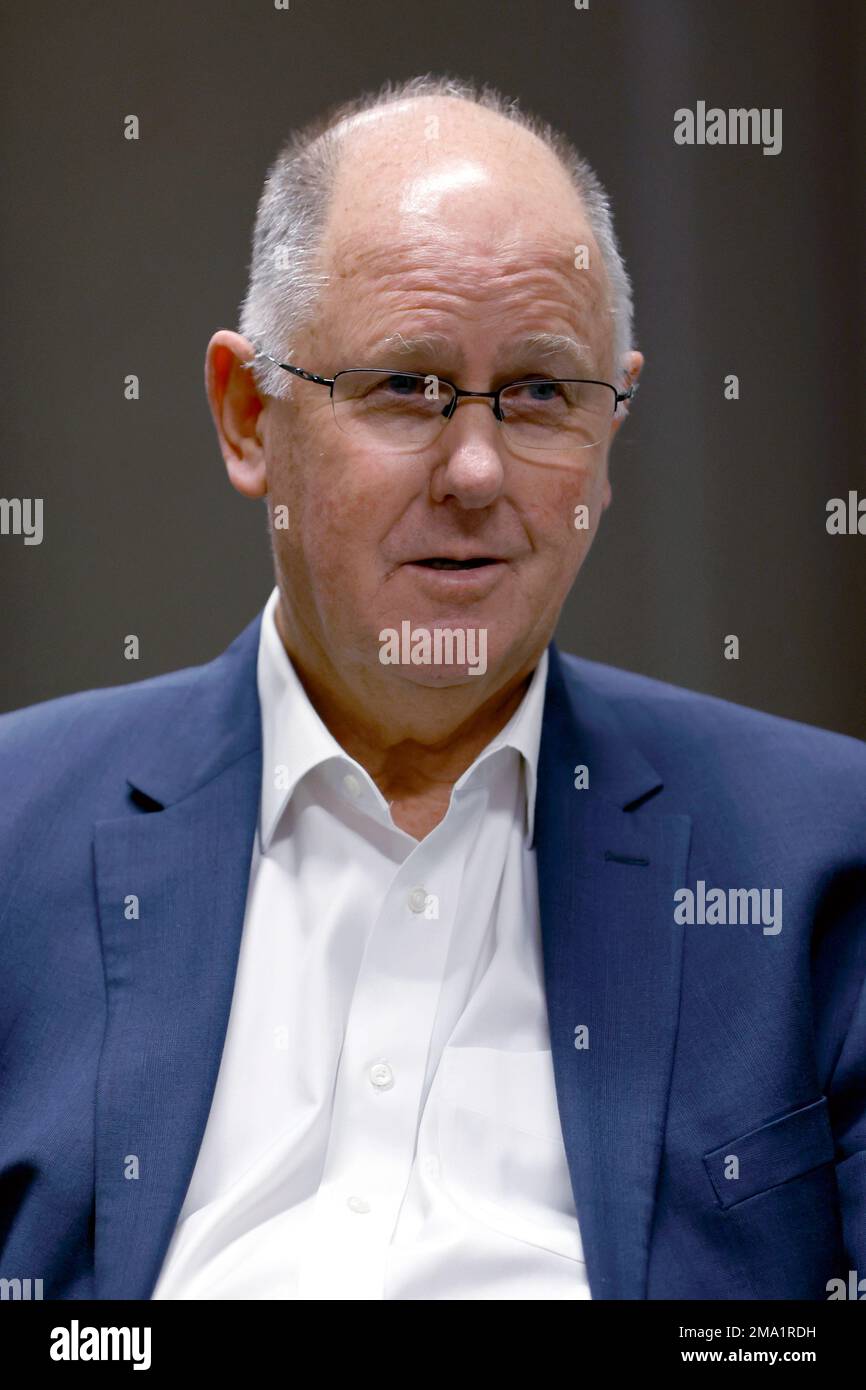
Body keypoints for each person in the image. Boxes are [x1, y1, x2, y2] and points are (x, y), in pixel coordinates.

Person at [1, 74, 864, 1302]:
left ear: (607, 435)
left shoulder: (817, 857)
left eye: (538, 395)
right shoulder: (15, 835)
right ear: (250, 416)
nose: (474, 470)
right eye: (404, 386)